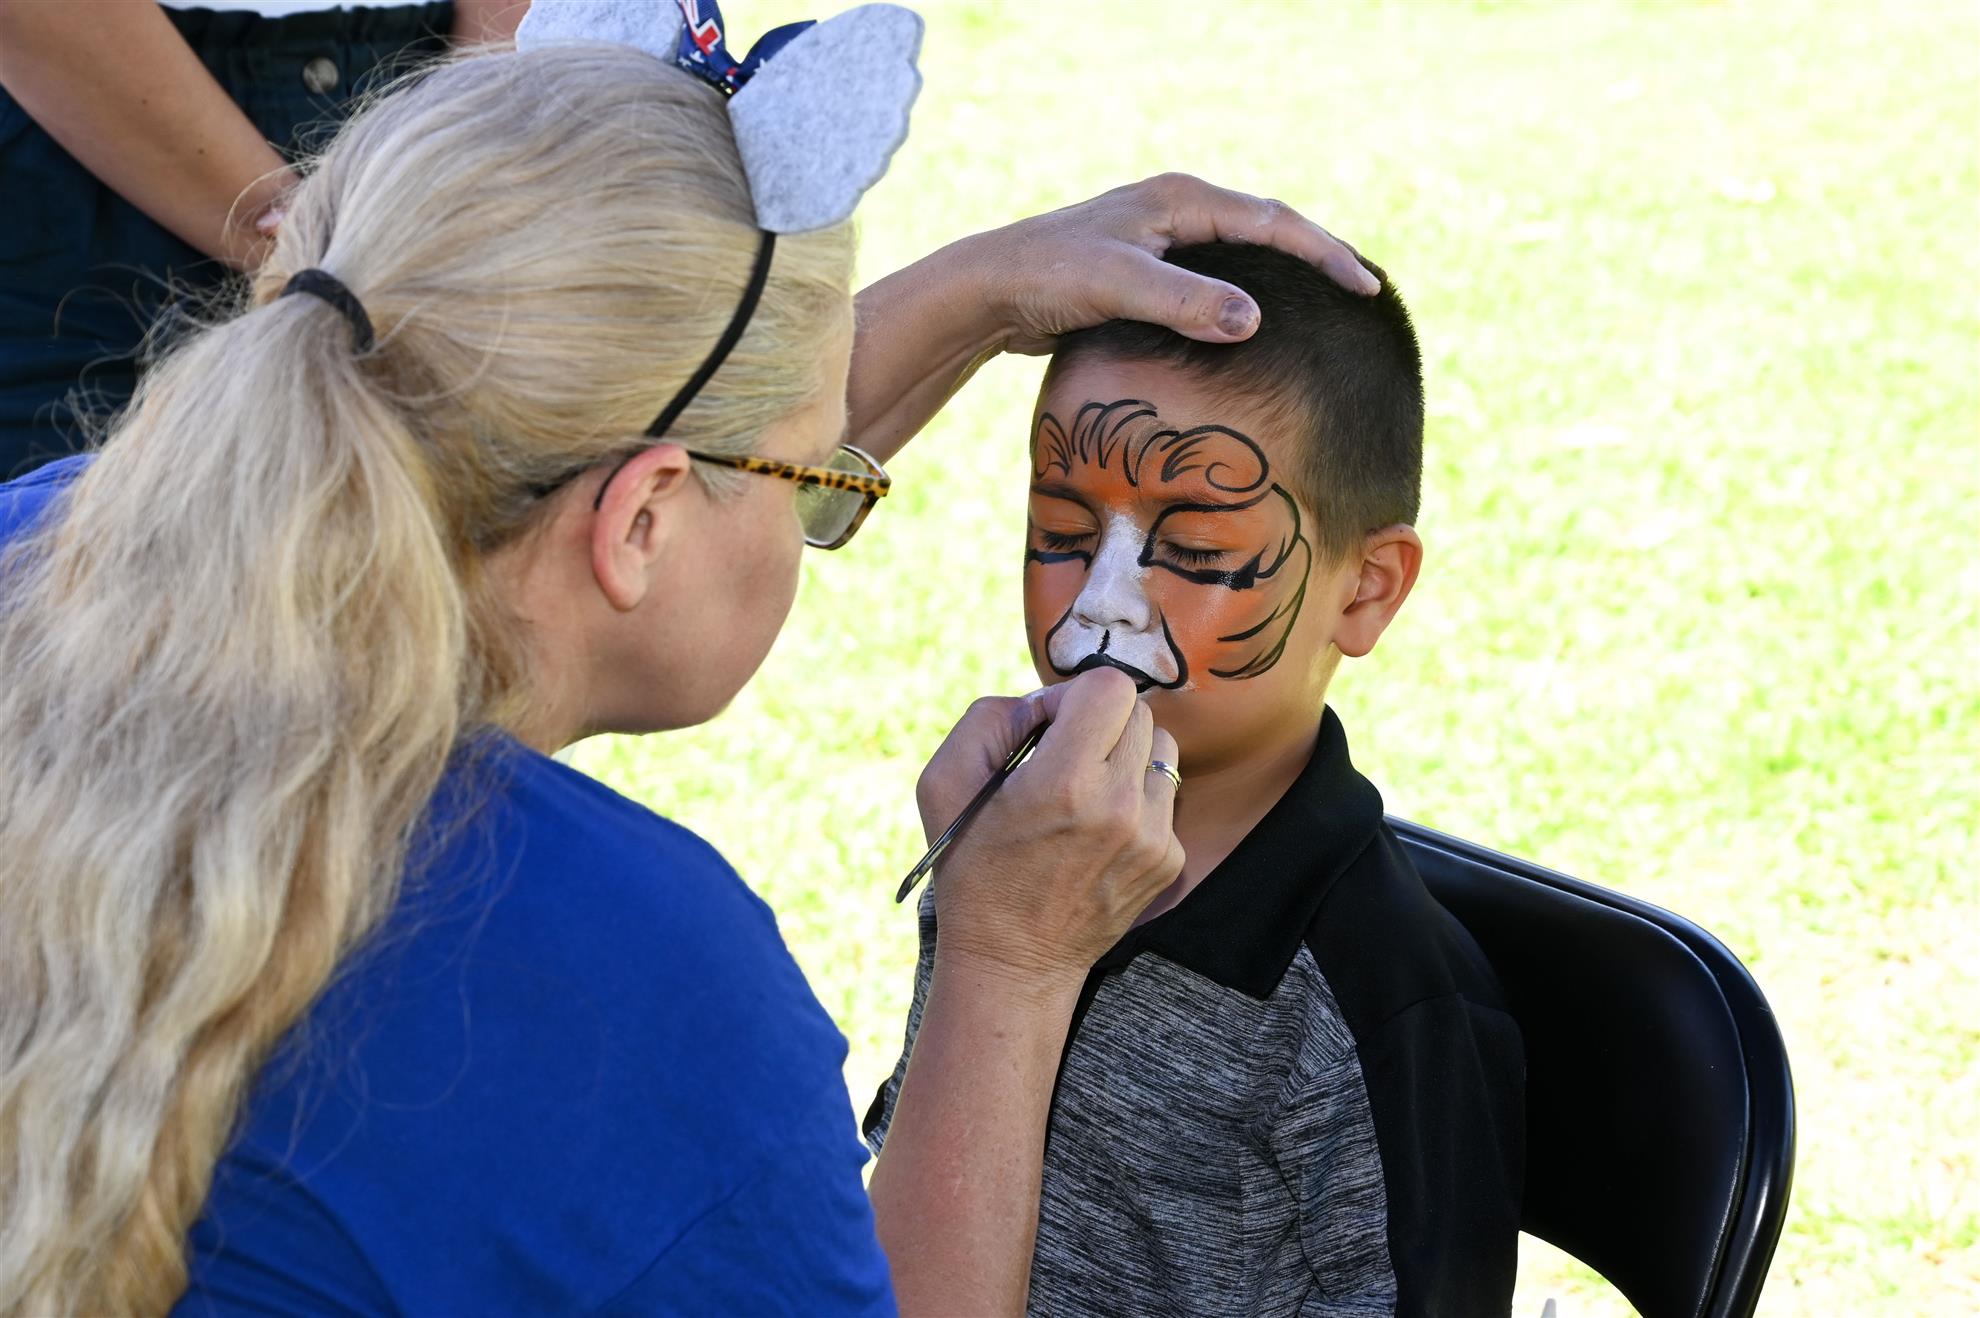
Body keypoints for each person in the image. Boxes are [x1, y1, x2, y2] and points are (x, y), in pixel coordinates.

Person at [0, 32, 1379, 1318]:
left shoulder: (50, 544)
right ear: (642, 519)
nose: (825, 501)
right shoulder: (640, 987)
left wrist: (971, 292)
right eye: (817, 481)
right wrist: (1010, 965)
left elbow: (600, 429)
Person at [865, 242, 1527, 1316]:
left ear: (1365, 588)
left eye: (1199, 553)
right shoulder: (1010, 841)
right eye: (1063, 532)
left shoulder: (1376, 1015)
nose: (1101, 607)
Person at [0, 0, 526, 480]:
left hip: (436, 88)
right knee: (85, 549)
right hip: (105, 128)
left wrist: (471, 141)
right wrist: (323, 241)